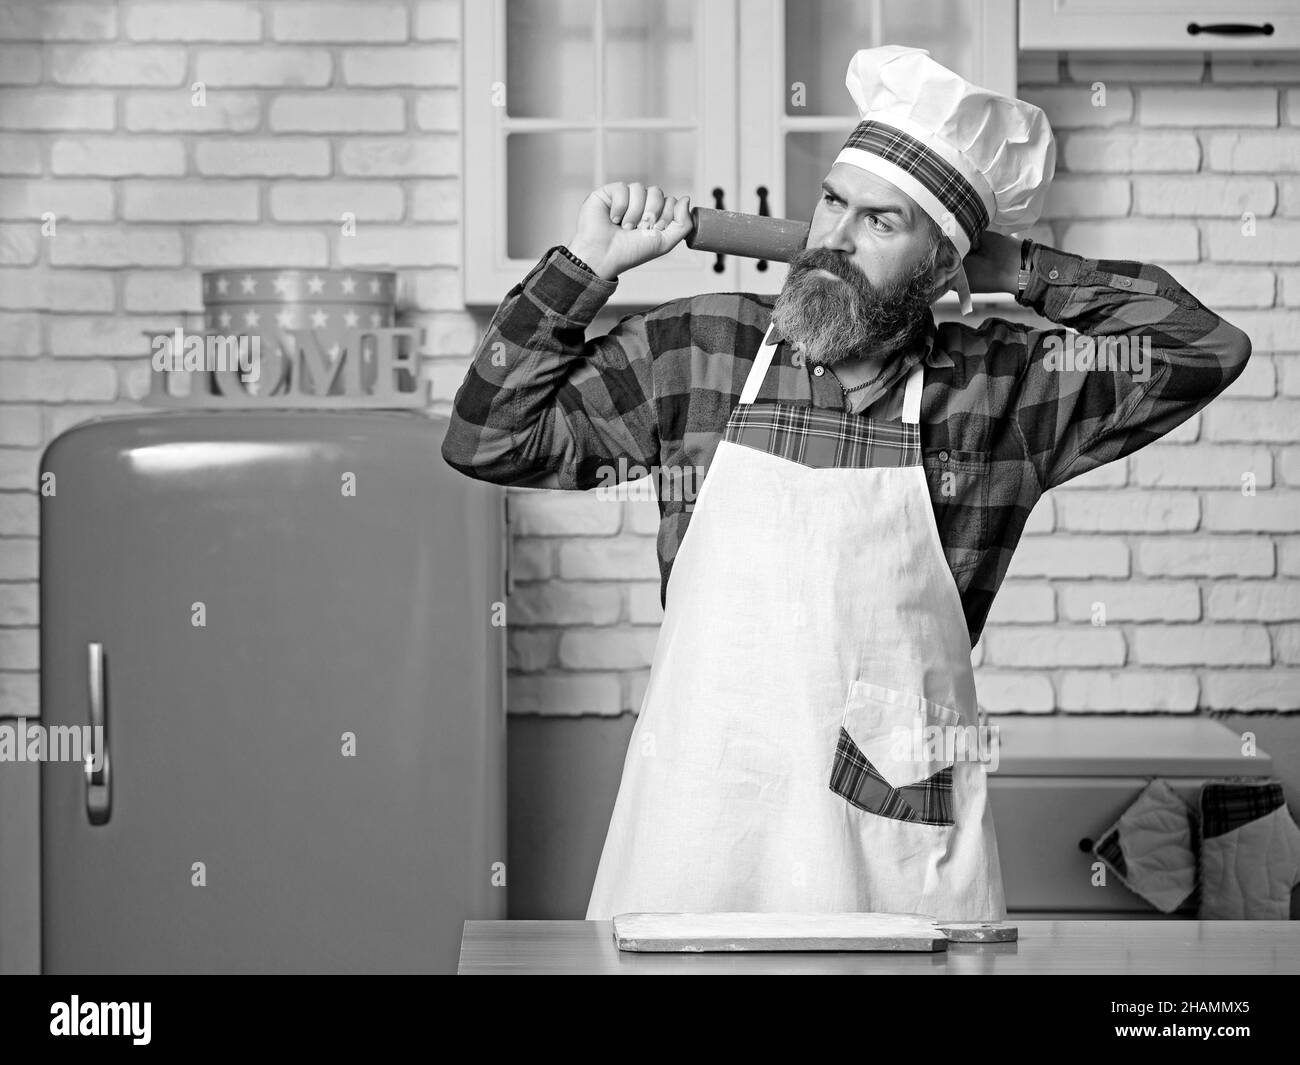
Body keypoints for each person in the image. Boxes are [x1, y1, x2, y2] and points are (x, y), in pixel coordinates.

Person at [441, 46, 1252, 922]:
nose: (830, 239)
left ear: (945, 266)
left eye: (879, 222)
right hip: (701, 824)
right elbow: (488, 438)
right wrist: (585, 267)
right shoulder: (701, 350)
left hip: (888, 854)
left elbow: (1202, 348)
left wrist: (1021, 269)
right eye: (832, 200)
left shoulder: (1001, 389)